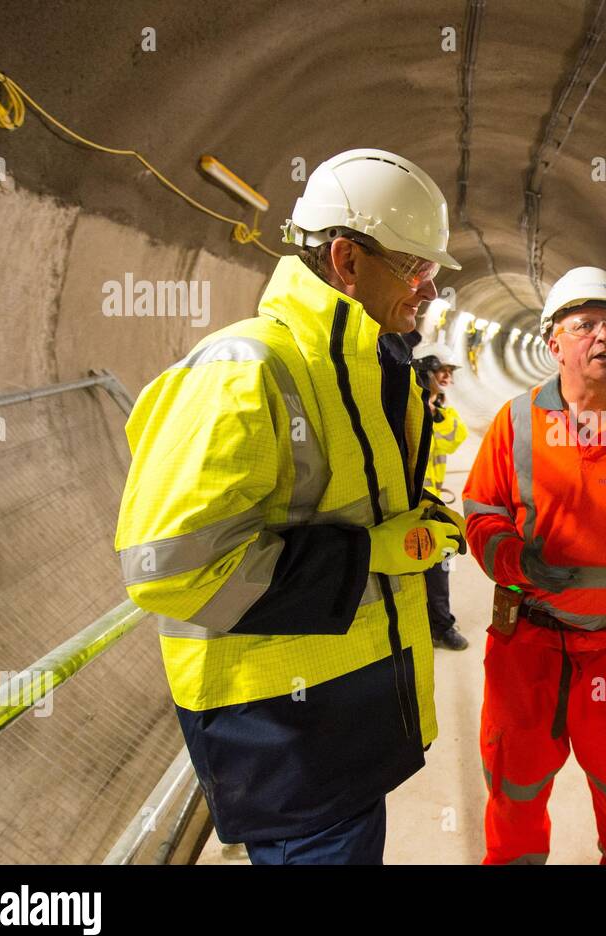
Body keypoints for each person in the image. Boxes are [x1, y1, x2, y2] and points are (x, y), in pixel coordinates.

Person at [114, 148, 467, 864]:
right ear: (346, 260)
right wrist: (376, 552)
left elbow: (347, 506)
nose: (429, 290)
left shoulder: (366, 371)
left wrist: (415, 521)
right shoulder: (245, 369)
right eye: (418, 269)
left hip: (347, 729)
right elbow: (170, 568)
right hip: (283, 745)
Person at [463, 266, 606, 864]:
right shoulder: (516, 423)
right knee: (513, 790)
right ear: (553, 343)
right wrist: (515, 561)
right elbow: (480, 513)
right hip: (528, 644)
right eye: (585, 324)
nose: (604, 336)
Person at [413, 341, 471, 651]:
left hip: (431, 501)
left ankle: (441, 624)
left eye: (449, 372)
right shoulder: (403, 404)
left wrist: (436, 411)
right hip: (405, 502)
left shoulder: (439, 410)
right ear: (423, 372)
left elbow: (452, 440)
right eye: (442, 371)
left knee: (440, 562)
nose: (447, 377)